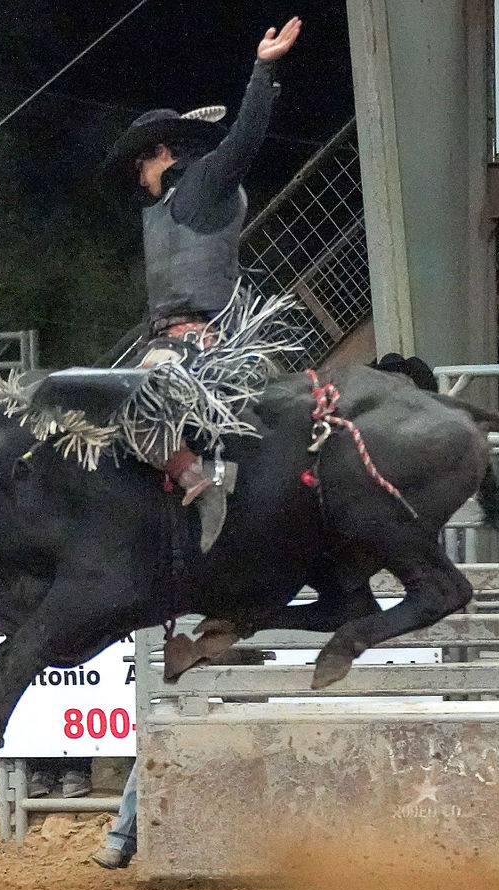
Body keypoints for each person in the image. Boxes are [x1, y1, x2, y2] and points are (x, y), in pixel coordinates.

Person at [98, 16, 301, 516]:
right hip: (164, 347)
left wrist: (262, 69)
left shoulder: (209, 183)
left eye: (138, 165)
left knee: (128, 406)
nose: (137, 178)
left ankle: (203, 482)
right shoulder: (164, 207)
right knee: (96, 415)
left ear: (161, 153)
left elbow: (245, 137)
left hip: (206, 346)